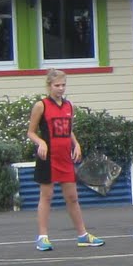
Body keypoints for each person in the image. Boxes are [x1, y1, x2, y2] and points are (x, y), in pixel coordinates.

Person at [26, 70, 104, 251]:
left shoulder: (69, 105)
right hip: (48, 158)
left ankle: (82, 235)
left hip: (64, 157)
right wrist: (41, 142)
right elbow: (30, 132)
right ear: (49, 86)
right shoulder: (41, 105)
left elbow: (67, 129)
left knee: (72, 197)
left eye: (63, 85)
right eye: (57, 85)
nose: (60, 89)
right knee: (46, 196)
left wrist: (76, 144)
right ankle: (42, 237)